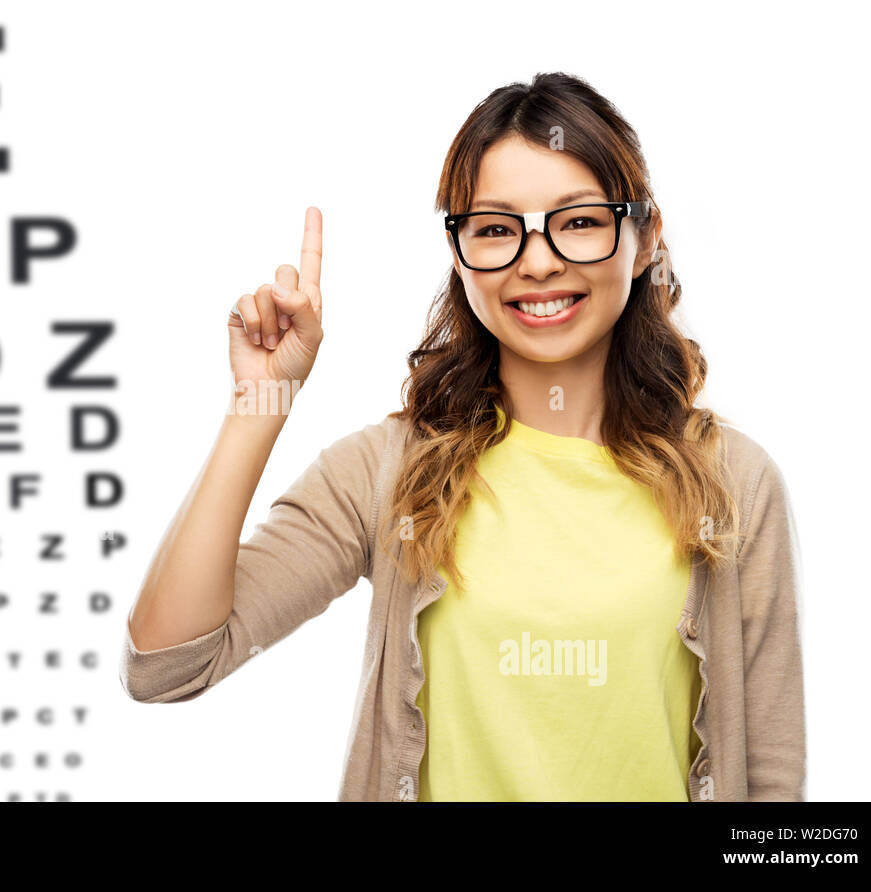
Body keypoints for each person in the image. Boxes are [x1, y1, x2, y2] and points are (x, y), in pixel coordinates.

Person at [119, 71, 805, 802]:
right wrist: (261, 401)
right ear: (459, 254)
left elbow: (771, 781)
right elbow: (166, 664)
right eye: (496, 230)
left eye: (577, 221)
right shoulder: (386, 474)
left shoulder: (732, 482)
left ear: (644, 241)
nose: (537, 261)